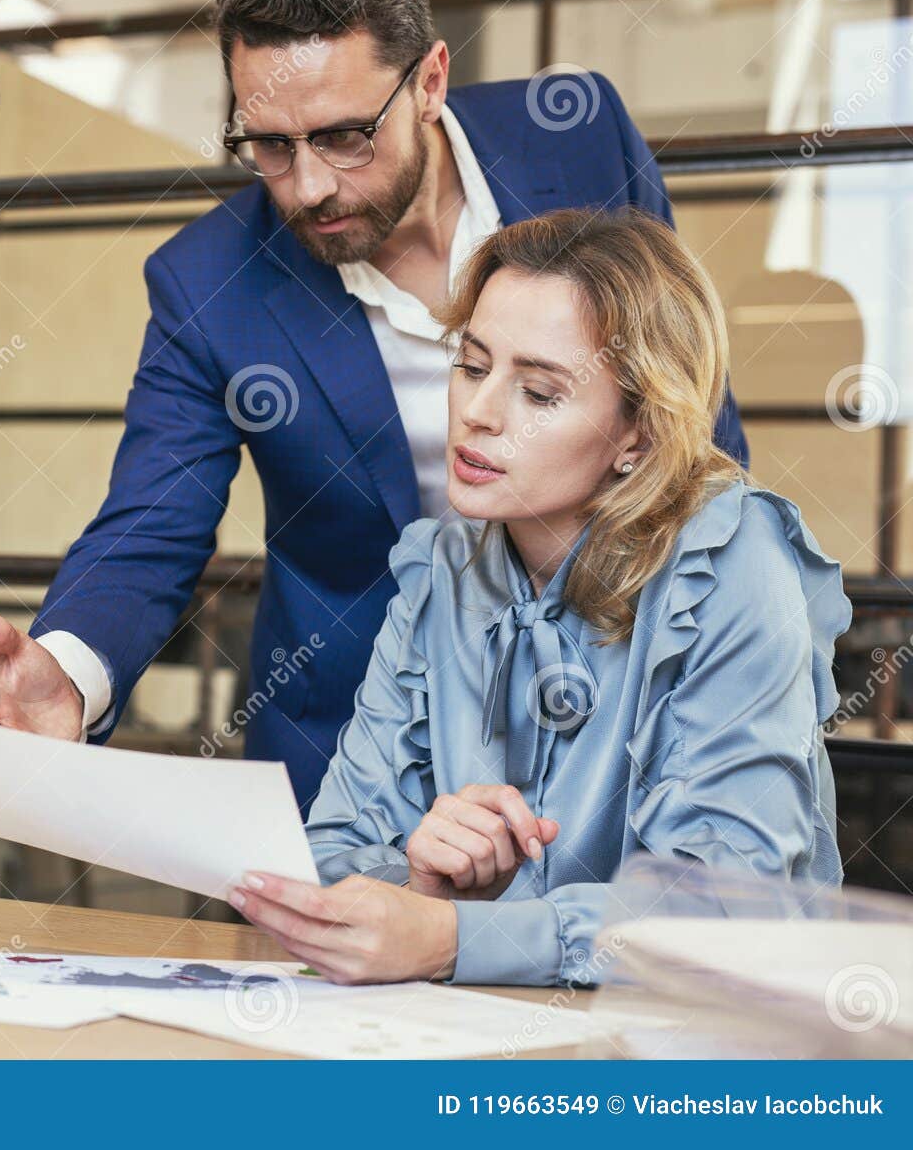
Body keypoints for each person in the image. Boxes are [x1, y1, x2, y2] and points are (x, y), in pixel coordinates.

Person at [0, 0, 748, 808]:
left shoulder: (577, 137)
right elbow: (151, 521)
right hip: (347, 758)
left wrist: (713, 673)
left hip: (606, 726)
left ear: (429, 81)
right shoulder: (205, 284)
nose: (307, 188)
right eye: (269, 144)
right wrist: (69, 668)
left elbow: (688, 422)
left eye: (344, 136)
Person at [227, 207, 847, 986]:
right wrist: (421, 889)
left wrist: (455, 936)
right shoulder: (444, 562)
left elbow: (728, 911)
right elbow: (326, 858)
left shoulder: (734, 559)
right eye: (472, 364)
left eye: (540, 393)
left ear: (640, 437)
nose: (479, 412)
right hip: (479, 1044)